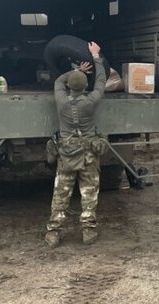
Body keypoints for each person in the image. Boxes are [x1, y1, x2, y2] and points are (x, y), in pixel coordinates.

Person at [44, 42, 109, 248]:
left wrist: (75, 70)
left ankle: (53, 232)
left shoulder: (61, 101)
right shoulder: (90, 102)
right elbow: (101, 81)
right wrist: (96, 57)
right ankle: (88, 231)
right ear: (84, 87)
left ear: (69, 87)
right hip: (89, 154)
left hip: (67, 154)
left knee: (61, 193)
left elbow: (58, 81)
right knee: (89, 192)